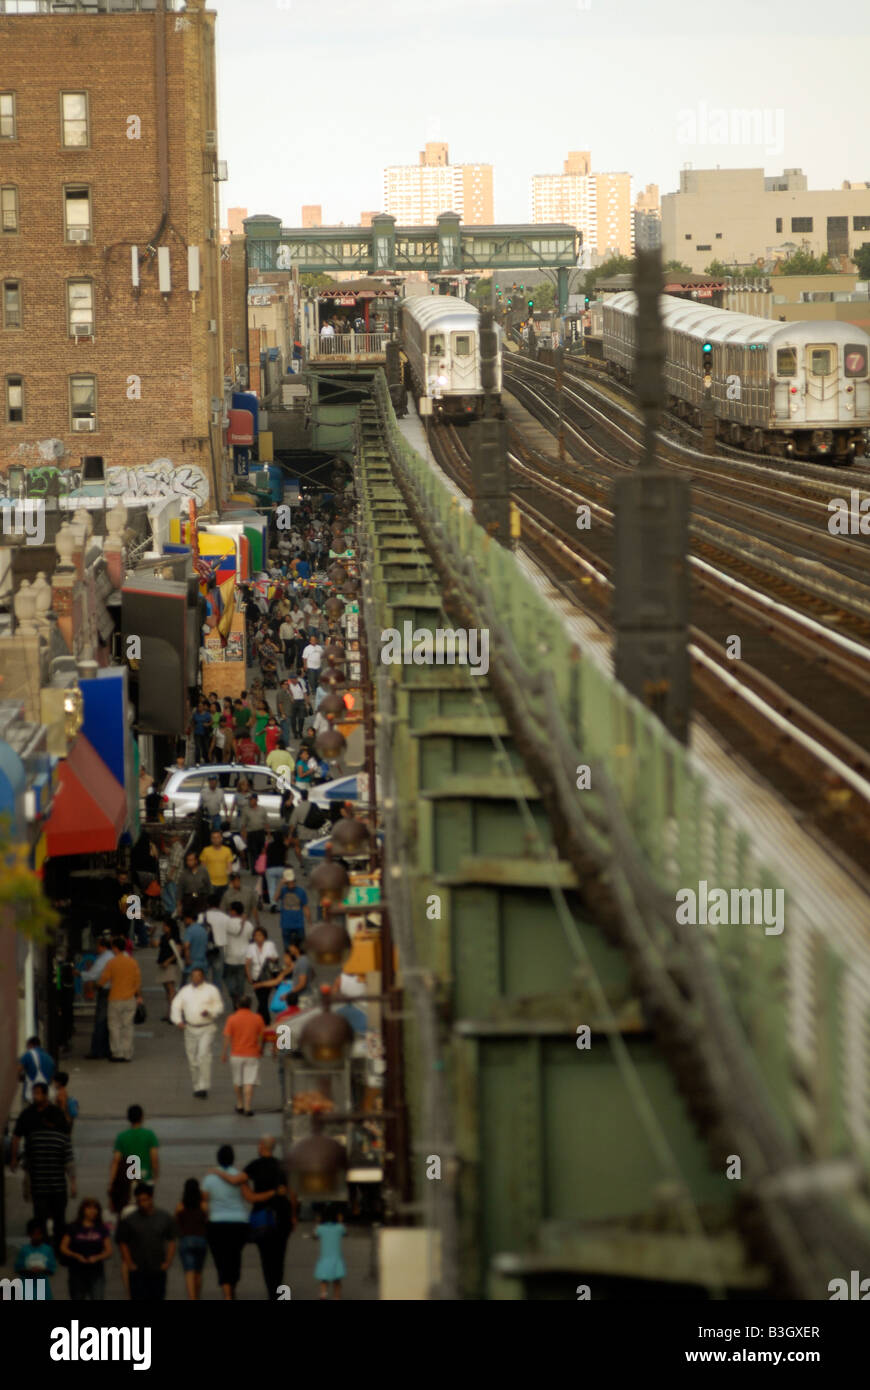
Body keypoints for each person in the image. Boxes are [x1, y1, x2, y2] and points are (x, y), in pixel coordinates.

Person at [210, 1136, 295, 1300]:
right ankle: (278, 1293)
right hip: (283, 1218)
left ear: (262, 1146)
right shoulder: (283, 1166)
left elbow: (238, 1183)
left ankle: (273, 1291)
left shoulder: (255, 1166)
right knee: (279, 1259)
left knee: (267, 1260)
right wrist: (293, 1215)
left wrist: (217, 1172)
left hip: (263, 1220)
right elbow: (293, 1193)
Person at [201, 1145, 250, 1300]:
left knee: (221, 1260)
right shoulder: (240, 1176)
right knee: (234, 1258)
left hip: (217, 1224)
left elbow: (204, 1203)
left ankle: (227, 1294)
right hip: (239, 1222)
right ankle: (232, 1287)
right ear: (233, 1158)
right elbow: (247, 1195)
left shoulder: (209, 1178)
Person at [170, 966, 224, 1098]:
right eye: (193, 976)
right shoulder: (185, 991)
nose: (195, 978)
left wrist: (210, 1012)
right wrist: (178, 1021)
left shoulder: (211, 990)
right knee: (192, 1059)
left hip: (207, 1027)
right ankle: (196, 1085)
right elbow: (176, 1006)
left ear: (203, 977)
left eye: (198, 976)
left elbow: (219, 1006)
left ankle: (203, 1086)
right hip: (190, 1028)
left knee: (203, 1055)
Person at [117, 1183, 177, 1302]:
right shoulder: (130, 1220)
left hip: (157, 1268)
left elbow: (171, 1239)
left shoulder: (164, 1217)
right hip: (137, 1269)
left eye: (145, 1200)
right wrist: (129, 1262)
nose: (142, 1204)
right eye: (139, 1201)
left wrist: (168, 1261)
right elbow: (122, 1241)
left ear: (151, 1198)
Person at [26, 1111, 75, 1250]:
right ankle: (60, 1248)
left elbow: (27, 1163)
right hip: (58, 1187)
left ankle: (43, 1248)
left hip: (39, 1188)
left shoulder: (32, 1138)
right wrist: (73, 1184)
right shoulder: (63, 1139)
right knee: (59, 1220)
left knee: (40, 1220)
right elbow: (69, 1164)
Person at [109, 1104, 160, 1215]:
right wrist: (155, 1174)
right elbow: (154, 1157)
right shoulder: (149, 1135)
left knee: (129, 1208)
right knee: (146, 1208)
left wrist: (112, 1181)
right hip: (146, 1177)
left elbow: (116, 1161)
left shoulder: (122, 1136)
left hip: (129, 1178)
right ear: (142, 1117)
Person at [60, 1198, 112, 1301]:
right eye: (89, 1208)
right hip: (77, 1272)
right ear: (83, 1210)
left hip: (96, 1272)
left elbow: (109, 1251)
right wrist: (76, 1255)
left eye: (95, 1208)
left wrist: (97, 1257)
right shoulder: (73, 1227)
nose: (92, 1211)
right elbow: (63, 1247)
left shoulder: (101, 1228)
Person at [221, 995, 265, 1116]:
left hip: (236, 1054)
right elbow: (262, 1035)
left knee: (237, 1080)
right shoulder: (257, 1018)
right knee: (249, 1082)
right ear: (250, 1005)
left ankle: (239, 1103)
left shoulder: (232, 1019)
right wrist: (261, 1048)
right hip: (252, 1053)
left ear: (237, 1005)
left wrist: (224, 1053)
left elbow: (227, 1037)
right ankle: (248, 1107)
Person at [10, 1082, 68, 1173]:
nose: (34, 1096)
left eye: (37, 1093)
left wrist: (66, 1160)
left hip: (53, 1162)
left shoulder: (56, 1113)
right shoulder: (27, 1114)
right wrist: (14, 1158)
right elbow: (16, 1137)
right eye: (33, 1093)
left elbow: (65, 1136)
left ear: (45, 1095)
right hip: (32, 1162)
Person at [101, 937, 143, 1063]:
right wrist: (139, 996)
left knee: (114, 1026)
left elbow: (104, 979)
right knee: (128, 1026)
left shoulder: (112, 962)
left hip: (115, 998)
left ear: (115, 948)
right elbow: (137, 982)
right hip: (130, 998)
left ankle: (117, 1053)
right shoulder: (132, 962)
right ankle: (127, 1053)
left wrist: (96, 986)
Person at [175, 1178, 209, 1301]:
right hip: (201, 1239)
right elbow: (207, 1221)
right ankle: (197, 1296)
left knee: (189, 1272)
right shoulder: (203, 1205)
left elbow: (176, 1223)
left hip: (186, 1239)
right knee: (198, 1272)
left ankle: (192, 1297)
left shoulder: (181, 1206)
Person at [79, 936, 113, 1058]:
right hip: (110, 990)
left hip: (105, 990)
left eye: (98, 945)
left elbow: (93, 974)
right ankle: (106, 1048)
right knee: (107, 1021)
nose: (96, 948)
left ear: (102, 946)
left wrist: (80, 974)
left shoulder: (104, 959)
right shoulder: (111, 956)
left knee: (101, 1020)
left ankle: (97, 1050)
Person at [14, 1219, 57, 1300]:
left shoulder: (47, 1249)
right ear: (29, 1234)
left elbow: (52, 1270)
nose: (36, 1237)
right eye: (33, 1234)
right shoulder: (24, 1250)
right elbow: (18, 1268)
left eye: (39, 1234)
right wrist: (29, 1271)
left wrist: (42, 1270)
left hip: (41, 1282)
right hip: (27, 1282)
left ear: (42, 1234)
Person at [245, 926, 280, 1024]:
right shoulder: (251, 947)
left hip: (267, 976)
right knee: (261, 1000)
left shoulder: (270, 945)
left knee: (264, 1000)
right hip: (256, 976)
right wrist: (249, 977)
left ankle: (262, 1021)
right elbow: (247, 963)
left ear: (264, 936)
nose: (257, 937)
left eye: (259, 935)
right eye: (255, 935)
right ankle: (263, 1020)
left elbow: (276, 959)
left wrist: (270, 959)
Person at [222, 900, 255, 1006]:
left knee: (228, 978)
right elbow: (251, 940)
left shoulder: (227, 923)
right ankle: (240, 1000)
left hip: (230, 956)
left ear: (233, 911)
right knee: (241, 981)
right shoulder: (249, 925)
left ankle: (233, 995)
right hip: (243, 958)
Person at [314, 1204, 347, 1299]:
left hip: (324, 1258)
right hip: (336, 1258)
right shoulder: (339, 1227)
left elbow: (315, 1235)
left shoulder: (320, 1228)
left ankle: (323, 1294)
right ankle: (336, 1297)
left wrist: (318, 1223)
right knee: (337, 1281)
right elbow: (345, 1233)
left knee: (324, 1280)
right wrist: (340, 1221)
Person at [276, 869, 310, 949]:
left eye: (292, 881)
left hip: (299, 924)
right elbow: (275, 898)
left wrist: (309, 922)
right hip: (286, 924)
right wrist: (280, 885)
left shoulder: (301, 891)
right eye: (289, 882)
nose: (291, 884)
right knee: (287, 948)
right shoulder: (283, 890)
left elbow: (305, 907)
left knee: (301, 948)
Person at [156, 918, 184, 1017]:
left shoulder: (175, 938)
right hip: (162, 963)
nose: (163, 927)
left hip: (170, 965)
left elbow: (178, 952)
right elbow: (155, 944)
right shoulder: (164, 937)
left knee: (170, 989)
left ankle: (173, 1012)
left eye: (165, 926)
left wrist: (168, 961)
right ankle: (171, 1012)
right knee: (168, 990)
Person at [18, 1035, 55, 1103]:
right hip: (45, 1094)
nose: (27, 1048)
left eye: (27, 1046)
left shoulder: (28, 1054)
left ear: (30, 1045)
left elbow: (18, 1070)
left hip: (31, 1094)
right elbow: (52, 1078)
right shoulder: (49, 1058)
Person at [264, 829, 292, 908]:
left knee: (271, 887)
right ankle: (279, 905)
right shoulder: (284, 847)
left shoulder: (269, 846)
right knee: (279, 887)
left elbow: (266, 854)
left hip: (270, 868)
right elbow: (286, 858)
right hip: (281, 868)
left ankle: (273, 903)